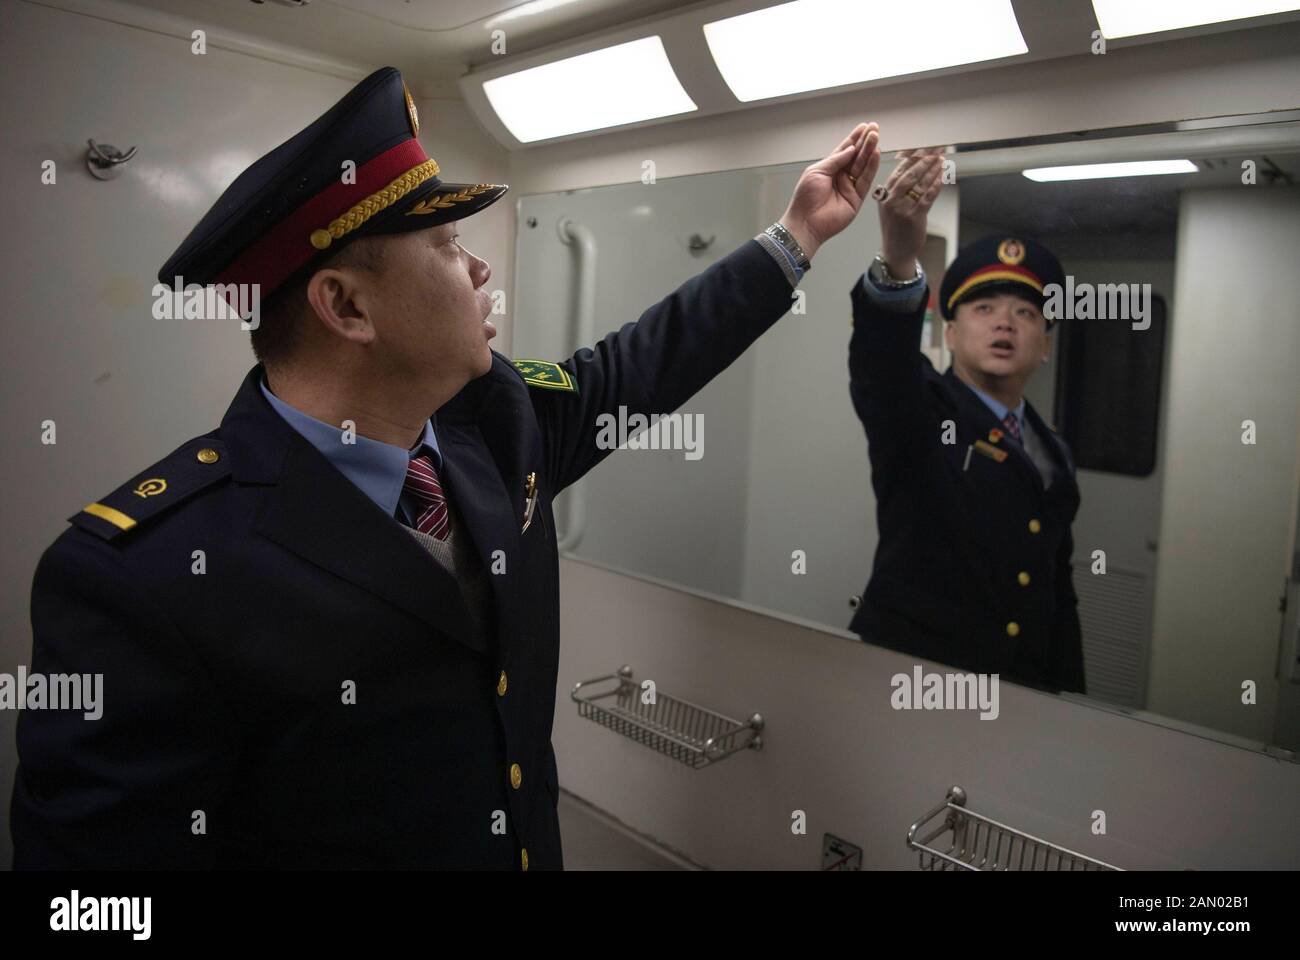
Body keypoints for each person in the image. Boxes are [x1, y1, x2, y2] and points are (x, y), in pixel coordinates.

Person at [10, 65, 883, 868]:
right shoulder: (146, 574)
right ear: (346, 305)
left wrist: (796, 236)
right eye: (447, 245)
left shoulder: (493, 425)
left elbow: (636, 369)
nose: (478, 268)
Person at [847, 148, 1086, 695]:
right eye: (983, 309)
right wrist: (899, 258)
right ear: (950, 334)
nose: (1005, 322)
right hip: (915, 684)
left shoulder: (1054, 451)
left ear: (1044, 346)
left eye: (1025, 313)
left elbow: (1058, 592)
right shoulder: (923, 412)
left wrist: (1071, 704)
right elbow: (882, 368)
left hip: (1022, 698)